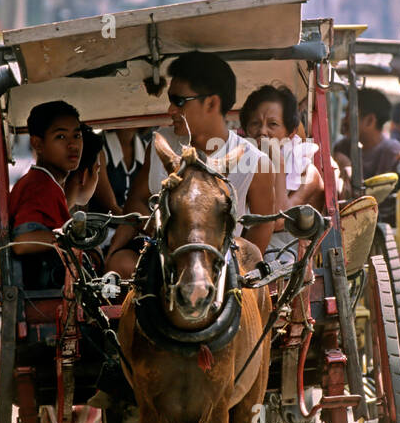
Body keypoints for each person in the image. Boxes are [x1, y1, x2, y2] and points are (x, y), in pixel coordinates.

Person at [105, 51, 276, 276]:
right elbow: (136, 201)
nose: (170, 110)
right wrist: (163, 230)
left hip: (220, 269)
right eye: (171, 101)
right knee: (120, 265)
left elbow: (262, 226)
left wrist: (236, 273)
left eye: (179, 101)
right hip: (163, 261)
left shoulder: (254, 163)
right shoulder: (160, 145)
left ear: (212, 103)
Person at [0, 101, 99, 285]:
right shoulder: (39, 185)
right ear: (37, 143)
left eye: (77, 135)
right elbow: (21, 243)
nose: (73, 145)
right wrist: (70, 238)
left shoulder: (49, 184)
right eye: (60, 136)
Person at [240, 84, 324, 259]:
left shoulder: (307, 173)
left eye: (273, 124)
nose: (262, 132)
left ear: (291, 132)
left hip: (287, 261)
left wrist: (276, 160)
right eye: (255, 124)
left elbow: (278, 220)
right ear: (246, 130)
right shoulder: (242, 165)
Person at [334, 86, 400, 220]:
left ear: (370, 120)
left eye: (348, 114)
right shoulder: (342, 147)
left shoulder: (394, 152)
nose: (344, 120)